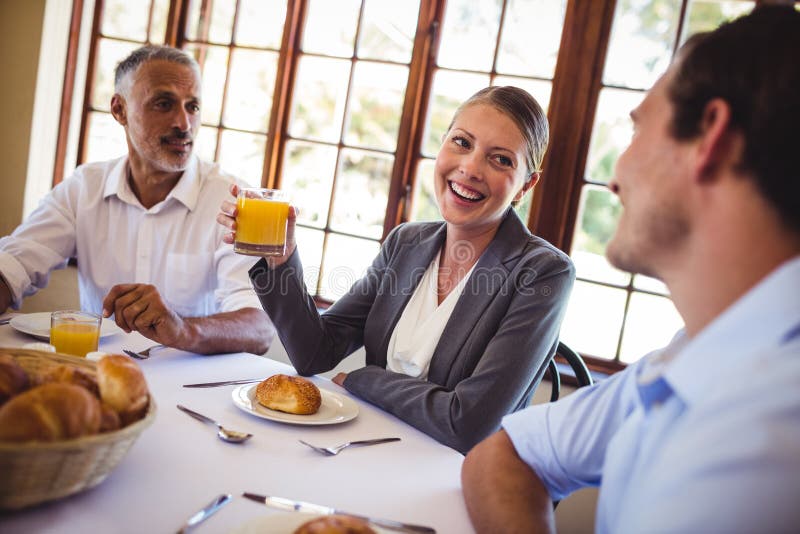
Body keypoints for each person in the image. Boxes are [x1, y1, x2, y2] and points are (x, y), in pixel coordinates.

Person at [462, 6, 800, 533]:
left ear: (710, 137)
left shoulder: (769, 445)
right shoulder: (689, 353)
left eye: (639, 129)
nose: (614, 177)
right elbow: (503, 454)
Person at [218, 86, 575, 453]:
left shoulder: (544, 272)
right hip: (362, 448)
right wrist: (281, 257)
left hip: (452, 473)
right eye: (462, 142)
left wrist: (364, 380)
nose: (470, 168)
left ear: (526, 185)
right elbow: (315, 352)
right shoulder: (407, 242)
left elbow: (467, 424)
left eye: (500, 160)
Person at [0, 45, 274, 355]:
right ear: (119, 110)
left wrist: (182, 330)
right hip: (95, 372)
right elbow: (14, 264)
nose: (184, 124)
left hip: (193, 381)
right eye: (164, 103)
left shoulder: (232, 202)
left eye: (193, 107)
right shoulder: (84, 188)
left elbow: (260, 328)